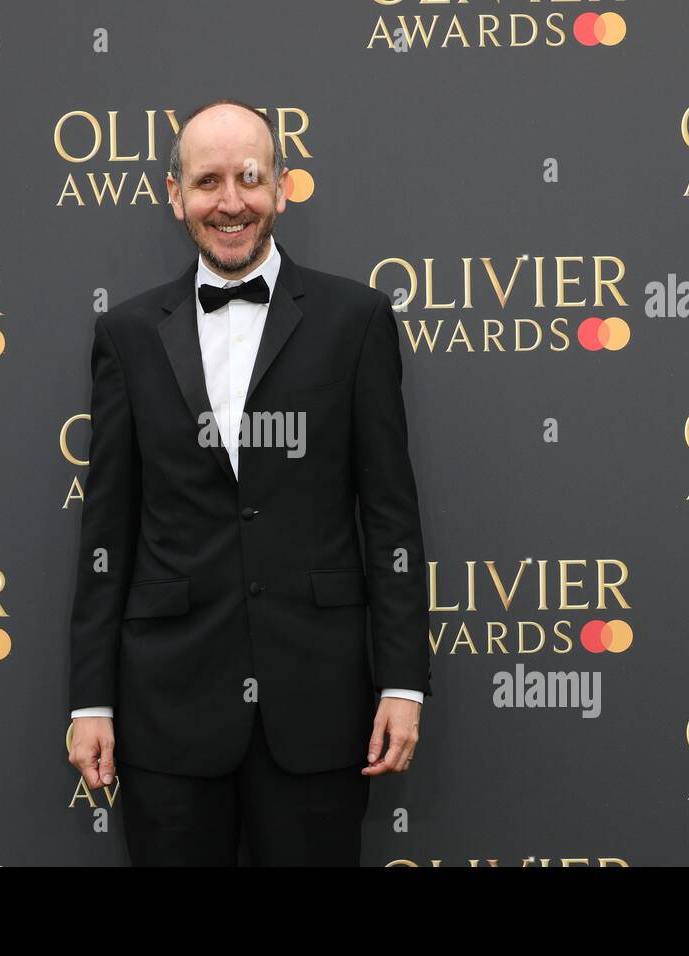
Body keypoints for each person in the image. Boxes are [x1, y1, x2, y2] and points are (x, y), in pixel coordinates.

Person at [66, 98, 431, 866]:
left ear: (284, 187)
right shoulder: (127, 335)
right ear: (175, 195)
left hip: (320, 704)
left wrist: (404, 682)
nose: (230, 201)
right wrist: (91, 699)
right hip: (168, 704)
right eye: (207, 182)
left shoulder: (356, 320)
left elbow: (391, 516)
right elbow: (107, 530)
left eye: (249, 178)